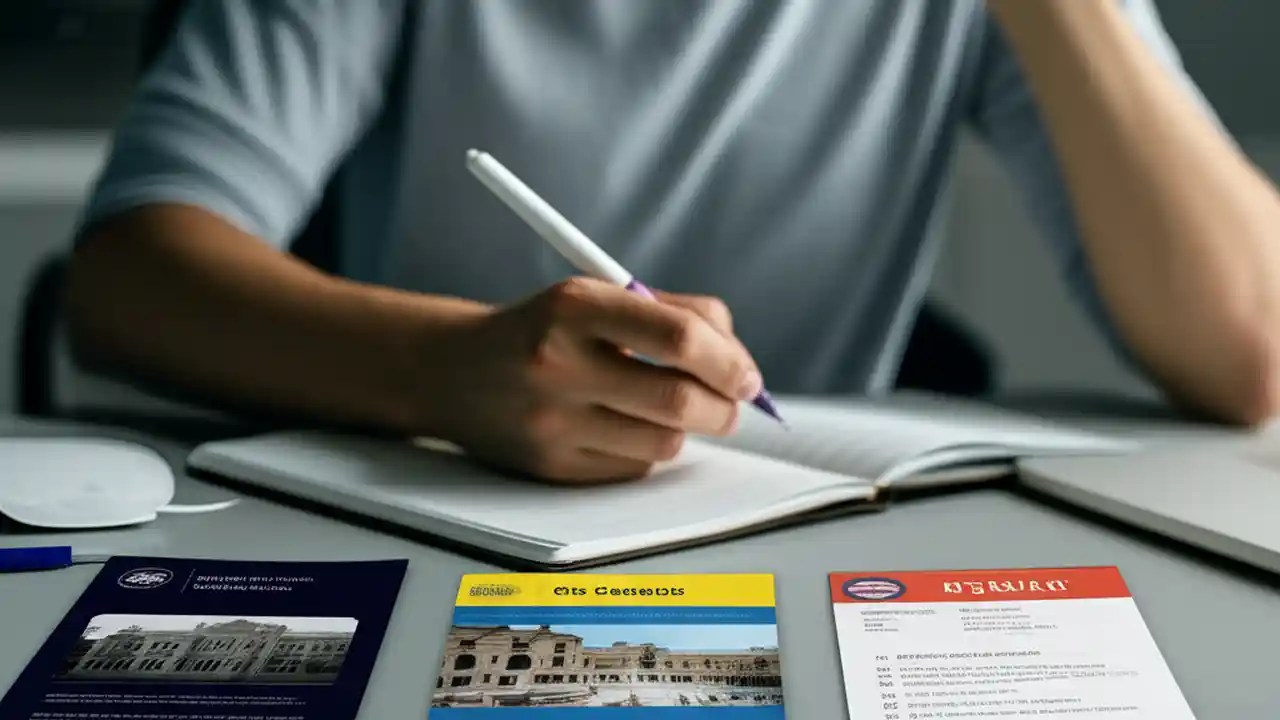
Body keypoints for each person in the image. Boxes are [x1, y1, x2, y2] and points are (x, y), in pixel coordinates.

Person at [67, 1, 1280, 482]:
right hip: (438, 507)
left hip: (819, 551)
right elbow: (128, 278)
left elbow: (1255, 350)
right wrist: (438, 371)